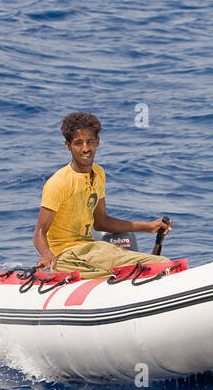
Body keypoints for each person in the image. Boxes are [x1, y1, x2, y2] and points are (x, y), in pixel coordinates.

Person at [32, 112, 172, 277]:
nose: (85, 148)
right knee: (161, 265)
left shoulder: (98, 174)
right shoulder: (59, 182)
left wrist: (149, 227)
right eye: (78, 143)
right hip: (67, 257)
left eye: (90, 141)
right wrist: (47, 255)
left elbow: (102, 222)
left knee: (159, 264)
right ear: (68, 145)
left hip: (92, 250)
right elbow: (39, 233)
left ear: (97, 142)